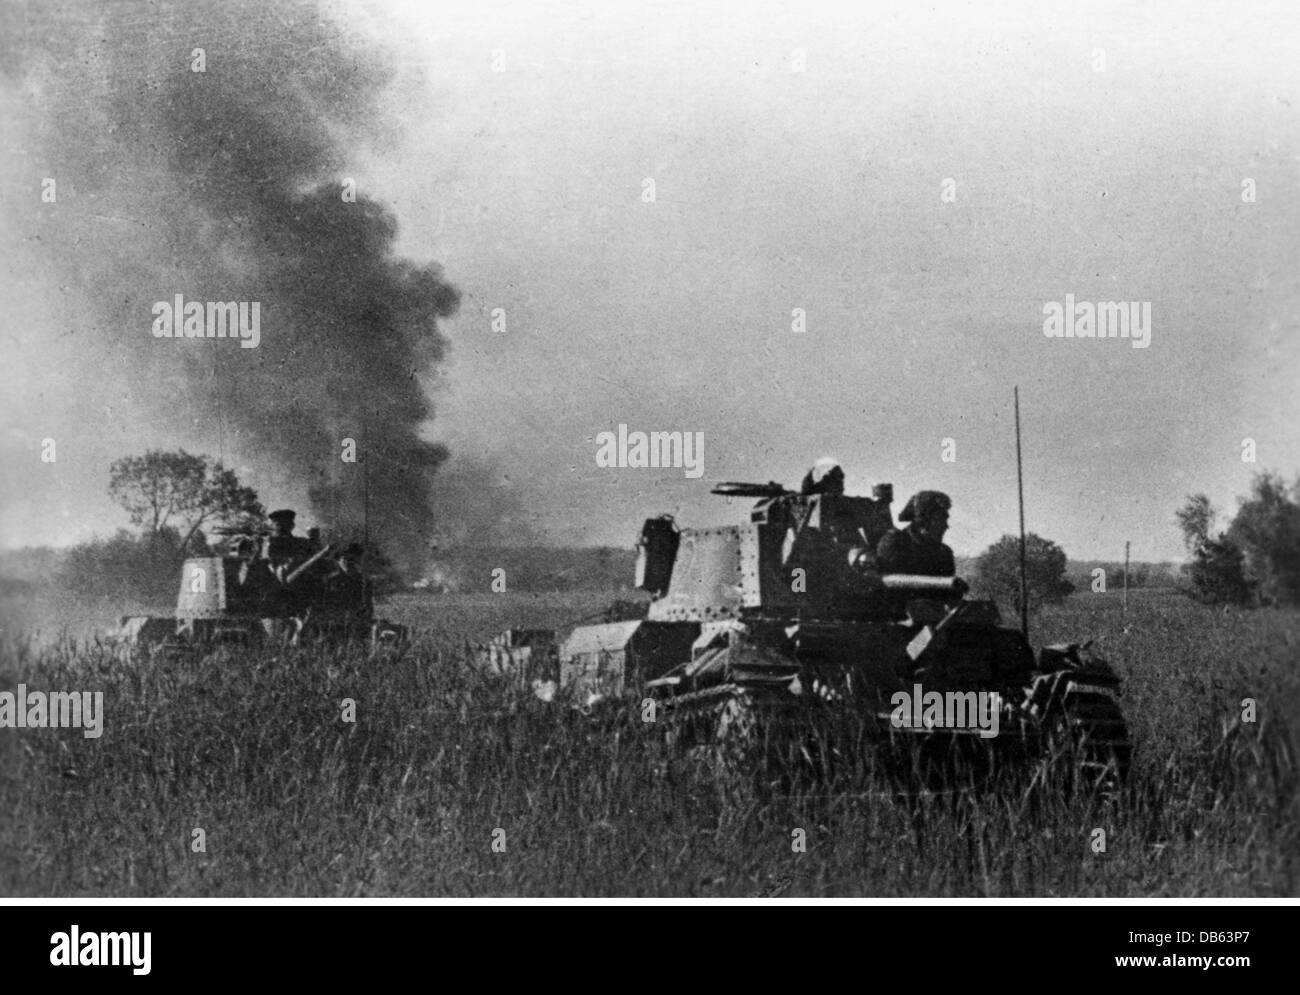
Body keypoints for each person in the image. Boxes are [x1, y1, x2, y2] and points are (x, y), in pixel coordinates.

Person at [876, 490, 956, 576]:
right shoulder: (896, 543)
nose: (946, 526)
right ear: (924, 521)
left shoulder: (944, 553)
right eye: (940, 520)